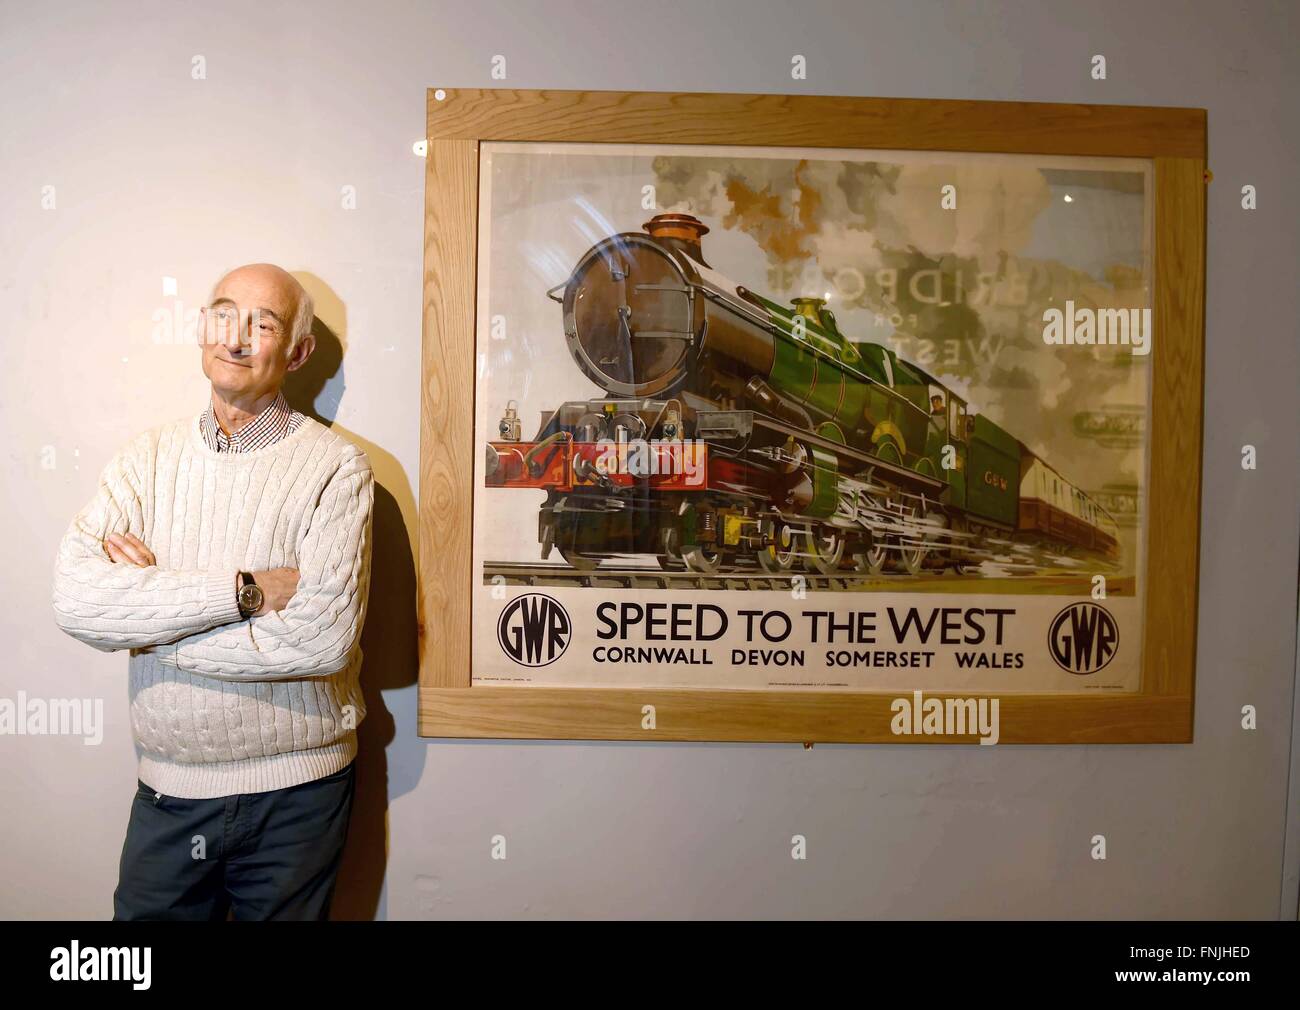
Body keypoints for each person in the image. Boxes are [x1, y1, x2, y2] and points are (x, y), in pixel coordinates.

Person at [51, 263, 374, 920]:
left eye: (263, 324)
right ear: (201, 328)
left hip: (299, 797)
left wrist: (153, 631)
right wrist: (243, 593)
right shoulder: (146, 459)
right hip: (169, 793)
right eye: (223, 314)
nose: (236, 338)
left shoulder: (336, 469)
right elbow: (76, 599)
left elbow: (322, 639)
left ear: (298, 351)